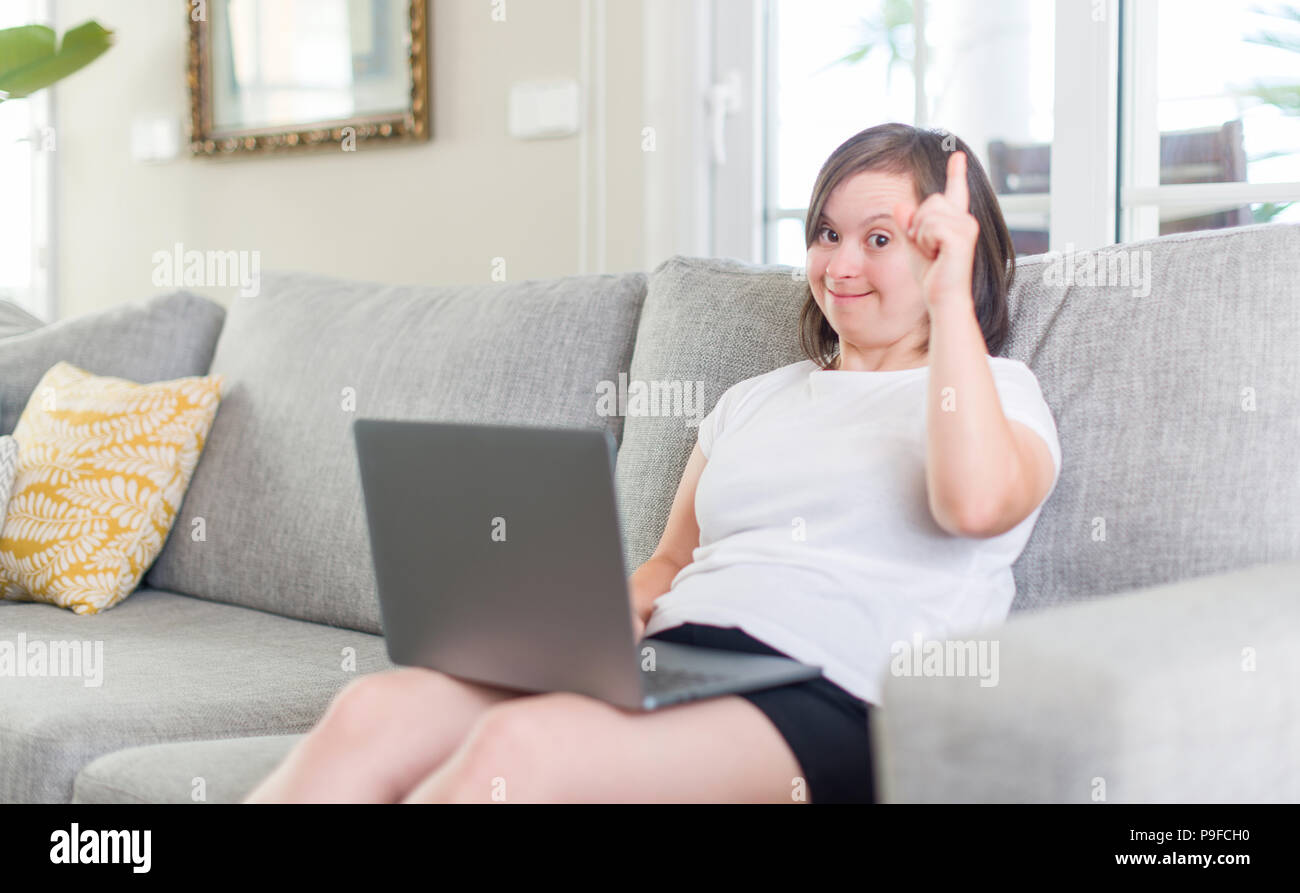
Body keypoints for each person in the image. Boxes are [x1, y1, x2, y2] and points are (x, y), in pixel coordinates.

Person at [243, 123, 1062, 805]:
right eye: (827, 234)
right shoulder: (756, 399)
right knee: (375, 711)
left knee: (522, 748)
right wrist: (572, 633)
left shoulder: (998, 392)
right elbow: (671, 561)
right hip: (677, 658)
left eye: (879, 239)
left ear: (944, 251)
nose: (840, 265)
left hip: (841, 696)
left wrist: (953, 304)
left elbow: (974, 505)